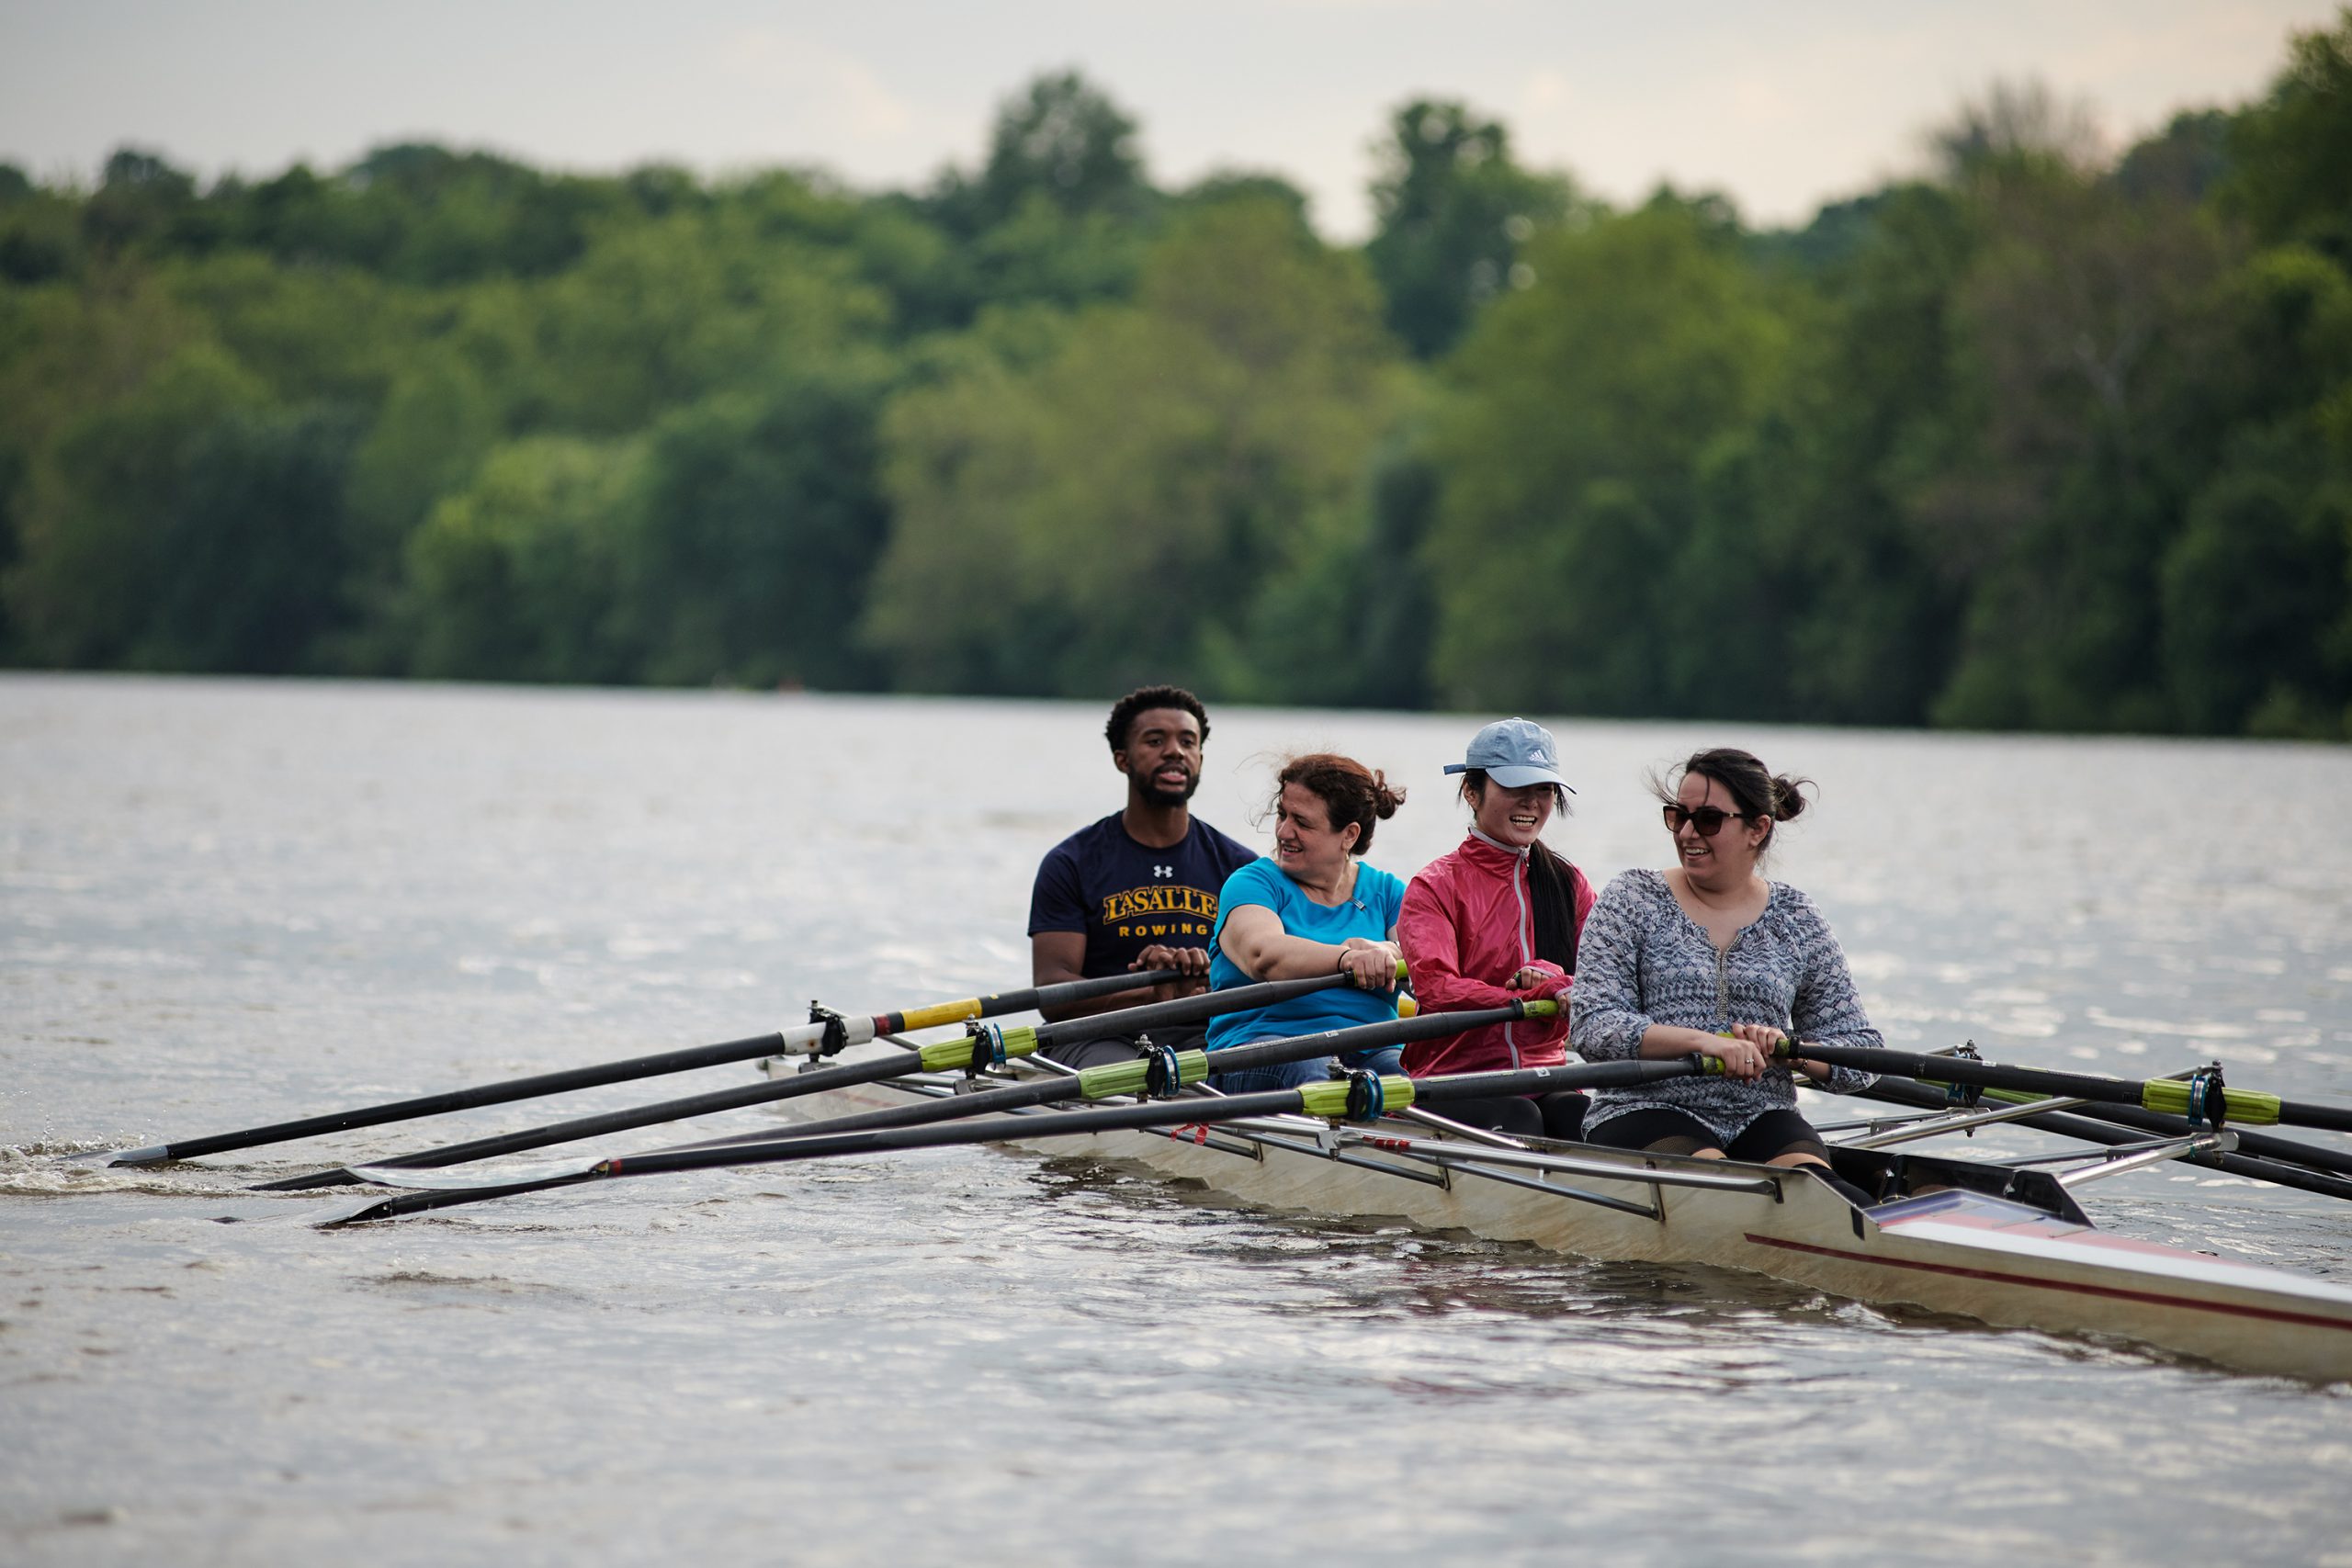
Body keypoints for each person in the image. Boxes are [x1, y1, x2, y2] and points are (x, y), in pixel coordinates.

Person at [1567, 748, 1882, 1208]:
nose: (1689, 833)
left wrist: (1791, 1051)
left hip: (1762, 1113)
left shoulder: (1796, 917)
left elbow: (1862, 1054)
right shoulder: (1632, 899)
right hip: (1644, 1110)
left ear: (1758, 829)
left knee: (1832, 1201)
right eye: (1678, 816)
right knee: (1722, 1185)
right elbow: (1592, 1026)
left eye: (1709, 820)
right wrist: (1705, 1042)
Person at [1027, 685, 1259, 1069]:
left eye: (1188, 741)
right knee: (1136, 1077)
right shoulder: (1071, 862)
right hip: (1101, 1035)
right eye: (1155, 741)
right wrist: (1149, 993)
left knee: (1256, 1066)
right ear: (1123, 759)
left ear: (1200, 756)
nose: (1174, 751)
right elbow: (1053, 994)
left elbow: (1261, 978)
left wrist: (1200, 985)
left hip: (1209, 1033)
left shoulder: (1240, 867)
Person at [1397, 718, 1595, 1141]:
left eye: (1543, 789)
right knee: (1521, 1118)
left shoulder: (1569, 883)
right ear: (1472, 791)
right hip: (1453, 1075)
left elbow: (1604, 983)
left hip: (1546, 1071)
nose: (1532, 802)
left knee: (1581, 1115)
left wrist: (1561, 982)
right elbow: (1435, 989)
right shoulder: (1434, 885)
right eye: (1514, 788)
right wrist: (1530, 994)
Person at [1202, 754, 1408, 1092]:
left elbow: (1427, 960)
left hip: (1372, 1050)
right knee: (1311, 1072)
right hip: (1262, 1048)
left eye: (1302, 822)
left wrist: (1386, 950)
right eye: (1283, 814)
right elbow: (1263, 955)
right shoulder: (1253, 884)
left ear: (1348, 835)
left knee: (1410, 1078)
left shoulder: (1388, 892)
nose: (1284, 832)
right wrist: (1347, 958)